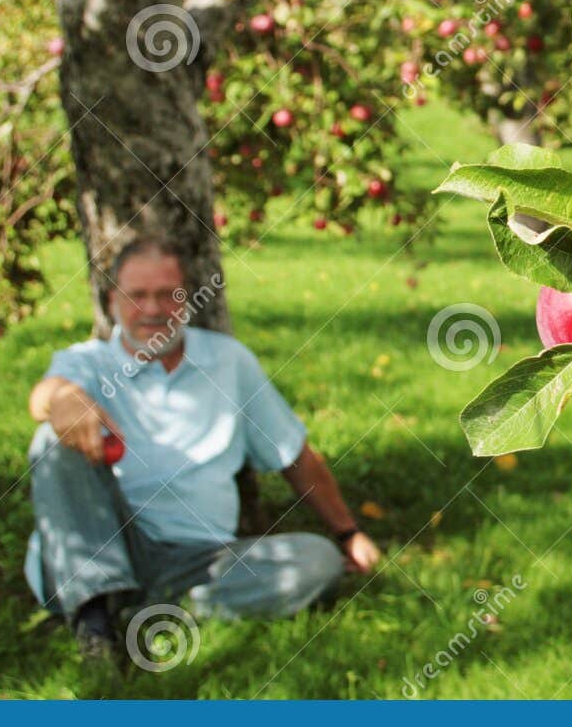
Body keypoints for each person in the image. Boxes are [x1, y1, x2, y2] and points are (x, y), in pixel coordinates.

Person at [22, 236, 382, 662]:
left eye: (167, 296)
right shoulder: (89, 361)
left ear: (189, 298)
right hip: (113, 542)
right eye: (136, 296)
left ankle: (144, 609)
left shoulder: (228, 361)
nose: (153, 309)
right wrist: (63, 400)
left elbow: (293, 453)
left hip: (206, 559)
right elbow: (44, 395)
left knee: (317, 562)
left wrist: (348, 532)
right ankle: (97, 624)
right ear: (111, 300)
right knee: (50, 439)